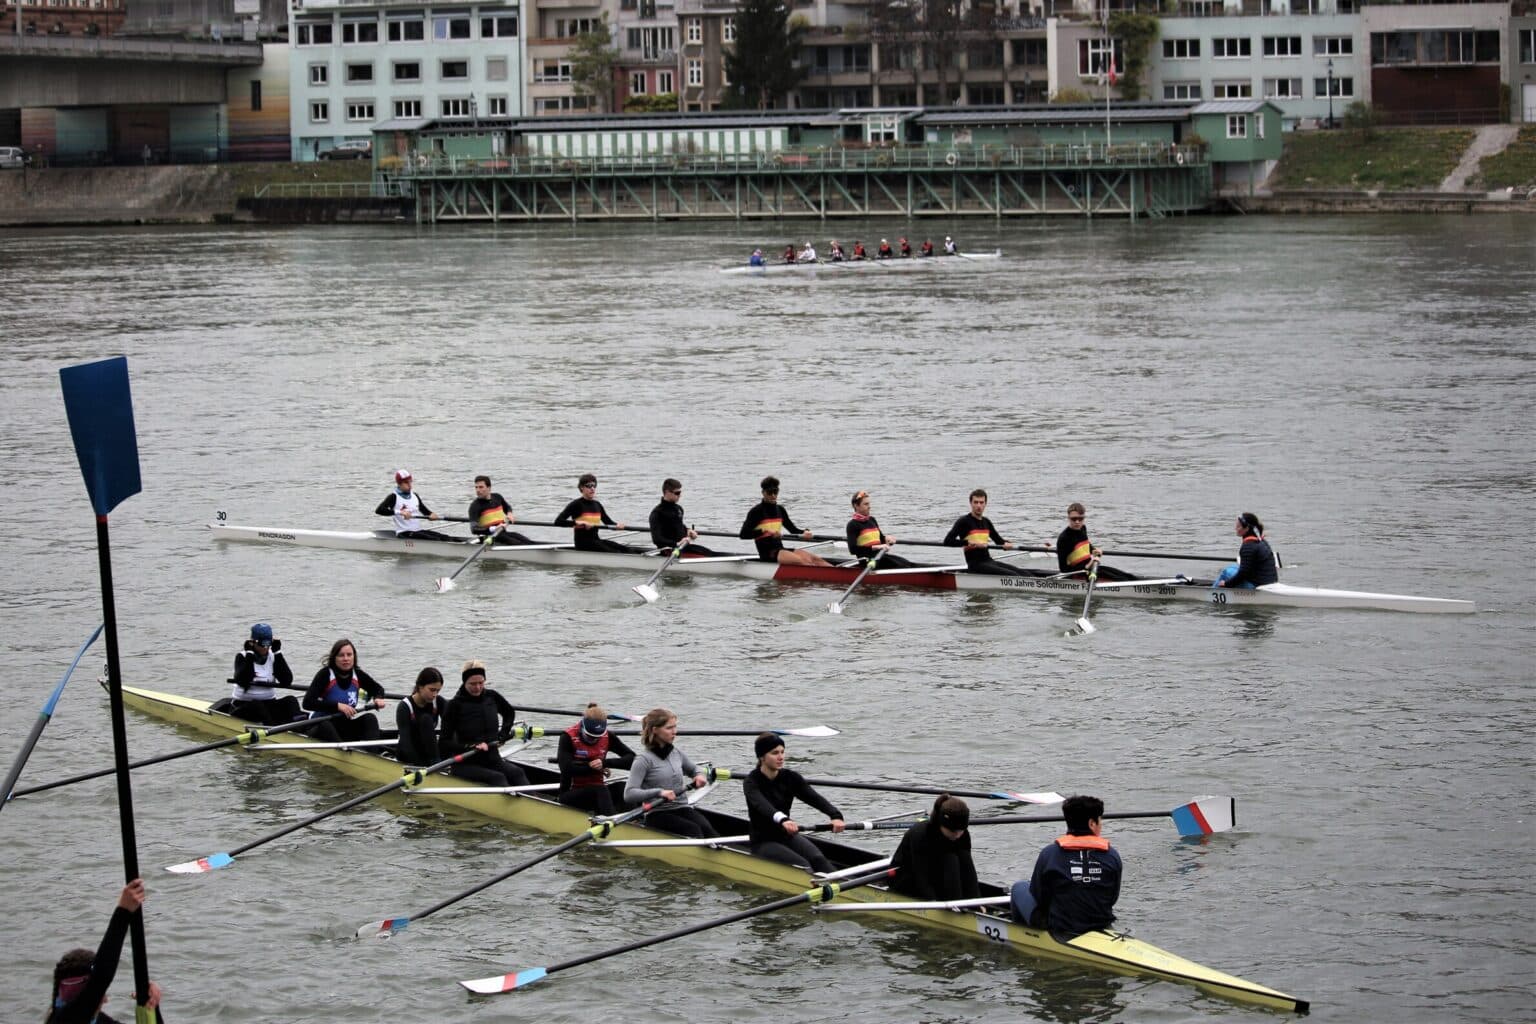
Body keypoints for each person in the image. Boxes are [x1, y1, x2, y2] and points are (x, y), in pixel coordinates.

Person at [47, 879, 163, 1024]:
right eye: (99, 994)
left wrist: (152, 1007)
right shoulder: (64, 1020)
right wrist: (123, 911)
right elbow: (101, 977)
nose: (106, 1000)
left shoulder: (99, 1020)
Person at [1010, 794, 1121, 937]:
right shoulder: (1112, 855)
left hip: (1060, 926)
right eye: (1100, 820)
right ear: (1092, 824)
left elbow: (1039, 896)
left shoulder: (1050, 853)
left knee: (1019, 887)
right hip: (1100, 923)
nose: (1101, 824)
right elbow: (1113, 898)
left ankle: (1024, 937)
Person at [742, 733, 844, 873]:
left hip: (786, 835)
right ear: (762, 757)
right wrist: (783, 819)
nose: (781, 757)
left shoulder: (790, 778)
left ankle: (845, 887)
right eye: (775, 753)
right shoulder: (751, 782)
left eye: (782, 752)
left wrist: (835, 815)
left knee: (818, 858)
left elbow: (813, 798)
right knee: (803, 865)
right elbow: (762, 805)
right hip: (763, 841)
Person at [624, 708, 718, 838]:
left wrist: (699, 775)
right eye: (669, 728)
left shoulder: (676, 753)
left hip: (681, 808)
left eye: (675, 727)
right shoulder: (643, 760)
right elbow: (629, 794)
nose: (675, 732)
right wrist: (659, 792)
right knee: (693, 830)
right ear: (655, 730)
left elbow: (694, 769)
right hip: (657, 813)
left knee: (708, 830)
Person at [440, 660, 530, 788]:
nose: (477, 687)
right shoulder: (454, 705)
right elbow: (444, 742)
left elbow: (509, 713)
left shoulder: (491, 697)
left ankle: (535, 804)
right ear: (464, 682)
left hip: (492, 758)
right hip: (465, 763)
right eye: (472, 684)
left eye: (481, 683)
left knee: (517, 773)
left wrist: (502, 734)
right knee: (498, 778)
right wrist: (470, 746)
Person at [891, 794, 979, 901]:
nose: (957, 835)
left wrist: (976, 900)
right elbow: (921, 875)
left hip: (936, 873)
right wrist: (933, 904)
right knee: (950, 859)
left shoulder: (963, 834)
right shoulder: (921, 834)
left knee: (960, 857)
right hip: (907, 877)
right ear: (941, 823)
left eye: (961, 830)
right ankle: (954, 903)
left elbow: (968, 868)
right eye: (952, 831)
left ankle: (960, 902)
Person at [558, 703, 638, 816]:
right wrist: (592, 767)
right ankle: (612, 823)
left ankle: (633, 821)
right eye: (590, 736)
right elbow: (566, 769)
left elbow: (632, 759)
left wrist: (605, 763)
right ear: (582, 726)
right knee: (600, 789)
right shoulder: (567, 737)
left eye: (597, 737)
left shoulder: (607, 736)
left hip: (597, 793)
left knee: (624, 787)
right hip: (570, 794)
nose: (593, 740)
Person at [302, 638, 387, 743]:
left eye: (349, 655)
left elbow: (377, 688)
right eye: (341, 655)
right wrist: (338, 706)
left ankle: (372, 754)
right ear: (335, 658)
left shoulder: (357, 674)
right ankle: (344, 753)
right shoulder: (325, 674)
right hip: (319, 726)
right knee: (325, 724)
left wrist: (378, 698)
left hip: (343, 725)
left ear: (354, 657)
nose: (346, 658)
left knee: (370, 718)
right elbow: (307, 703)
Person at [739, 475, 832, 567]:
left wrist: (805, 532)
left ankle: (836, 573)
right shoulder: (756, 511)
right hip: (768, 553)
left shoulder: (780, 509)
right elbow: (743, 534)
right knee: (804, 563)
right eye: (770, 493)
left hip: (780, 549)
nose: (773, 496)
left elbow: (793, 530)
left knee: (814, 560)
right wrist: (764, 531)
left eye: (775, 492)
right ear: (763, 493)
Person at [942, 489, 1035, 577]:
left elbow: (999, 541)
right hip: (975, 565)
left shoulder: (986, 522)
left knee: (1023, 573)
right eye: (976, 502)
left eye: (981, 502)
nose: (979, 505)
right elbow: (948, 541)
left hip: (989, 561)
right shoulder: (963, 521)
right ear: (971, 503)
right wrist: (968, 543)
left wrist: (1006, 544)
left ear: (985, 504)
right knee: (1013, 575)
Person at [229, 622, 300, 725]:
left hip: (268, 704)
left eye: (268, 644)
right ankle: (273, 731)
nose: (265, 648)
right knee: (257, 705)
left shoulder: (273, 656)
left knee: (291, 700)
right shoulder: (243, 656)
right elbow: (243, 681)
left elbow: (286, 681)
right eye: (262, 644)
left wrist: (278, 653)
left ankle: (299, 729)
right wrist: (250, 654)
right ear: (253, 642)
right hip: (244, 705)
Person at [554, 473, 641, 554]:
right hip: (583, 544)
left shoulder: (597, 504)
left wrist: (618, 525)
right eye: (588, 486)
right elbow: (558, 521)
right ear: (581, 488)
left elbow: (608, 523)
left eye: (594, 486)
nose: (592, 488)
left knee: (626, 549)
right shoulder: (576, 504)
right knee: (616, 553)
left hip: (596, 541)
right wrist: (579, 523)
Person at [1054, 502, 1135, 582]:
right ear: (1068, 518)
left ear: (1084, 518)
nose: (1077, 522)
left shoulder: (1082, 528)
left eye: (1080, 519)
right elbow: (1064, 570)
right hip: (1078, 575)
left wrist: (1093, 550)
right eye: (1074, 519)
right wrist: (1088, 565)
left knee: (1127, 576)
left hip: (1092, 568)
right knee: (1121, 580)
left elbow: (1086, 544)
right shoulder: (1064, 539)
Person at [846, 489, 918, 570]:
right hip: (868, 561)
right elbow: (853, 550)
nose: (869, 506)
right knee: (902, 567)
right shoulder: (852, 525)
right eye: (866, 504)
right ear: (856, 505)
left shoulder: (872, 520)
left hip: (880, 556)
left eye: (869, 503)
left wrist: (888, 539)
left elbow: (881, 540)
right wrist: (877, 547)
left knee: (908, 563)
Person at [375, 469, 453, 541]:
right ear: (399, 484)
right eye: (406, 482)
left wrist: (432, 515)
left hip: (417, 531)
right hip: (404, 533)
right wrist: (400, 512)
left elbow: (424, 511)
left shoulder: (415, 496)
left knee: (445, 537)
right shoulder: (393, 497)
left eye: (410, 482)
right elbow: (379, 510)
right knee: (435, 540)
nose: (410, 485)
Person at [649, 477, 719, 557]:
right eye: (677, 493)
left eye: (680, 492)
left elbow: (678, 526)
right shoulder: (657, 513)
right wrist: (676, 543)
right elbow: (657, 539)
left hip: (683, 547)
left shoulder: (678, 509)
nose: (680, 495)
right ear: (667, 492)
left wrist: (688, 531)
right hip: (670, 551)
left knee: (711, 553)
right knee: (707, 556)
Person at [395, 667, 447, 764]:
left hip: (430, 751)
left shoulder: (438, 702)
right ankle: (436, 763)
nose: (435, 694)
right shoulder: (405, 707)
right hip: (409, 754)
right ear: (420, 687)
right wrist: (419, 765)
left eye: (438, 691)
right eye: (432, 690)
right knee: (426, 719)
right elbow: (406, 743)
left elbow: (453, 727)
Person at [467, 475, 536, 545]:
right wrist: (494, 528)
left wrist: (509, 513)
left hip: (502, 533)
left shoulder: (497, 497)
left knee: (527, 541)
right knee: (518, 544)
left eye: (481, 487)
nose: (478, 490)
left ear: (489, 488)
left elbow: (507, 507)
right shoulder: (474, 506)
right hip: (488, 538)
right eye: (476, 487)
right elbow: (474, 529)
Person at [1216, 512, 1279, 588]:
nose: (1235, 528)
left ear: (1246, 528)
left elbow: (1243, 574)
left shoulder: (1248, 546)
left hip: (1256, 586)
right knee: (1234, 566)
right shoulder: (1261, 541)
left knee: (1226, 572)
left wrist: (1226, 584)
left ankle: (1212, 592)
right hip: (1270, 581)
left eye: (1238, 526)